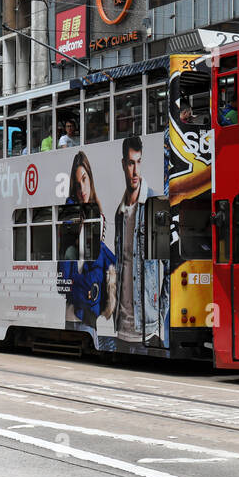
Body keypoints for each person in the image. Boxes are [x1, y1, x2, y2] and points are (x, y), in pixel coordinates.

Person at [58, 150, 117, 328]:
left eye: (84, 179)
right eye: (77, 184)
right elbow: (67, 266)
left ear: (90, 178)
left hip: (89, 307)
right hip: (76, 310)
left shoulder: (96, 213)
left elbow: (97, 254)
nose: (82, 188)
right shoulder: (71, 214)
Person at [114, 135, 160, 349]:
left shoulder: (153, 204)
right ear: (124, 164)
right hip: (121, 329)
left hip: (147, 330)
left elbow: (168, 266)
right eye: (131, 163)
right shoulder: (119, 212)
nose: (135, 171)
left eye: (138, 162)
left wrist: (159, 313)